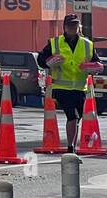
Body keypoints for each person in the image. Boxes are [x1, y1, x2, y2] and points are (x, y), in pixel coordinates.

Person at [37, 13, 100, 151]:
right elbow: (41, 60)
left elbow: (96, 62)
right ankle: (71, 147)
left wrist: (94, 67)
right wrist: (50, 62)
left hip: (79, 87)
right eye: (70, 25)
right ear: (64, 27)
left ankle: (72, 145)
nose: (73, 27)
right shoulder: (55, 43)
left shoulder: (87, 44)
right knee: (72, 115)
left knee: (77, 118)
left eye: (75, 25)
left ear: (79, 27)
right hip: (61, 87)